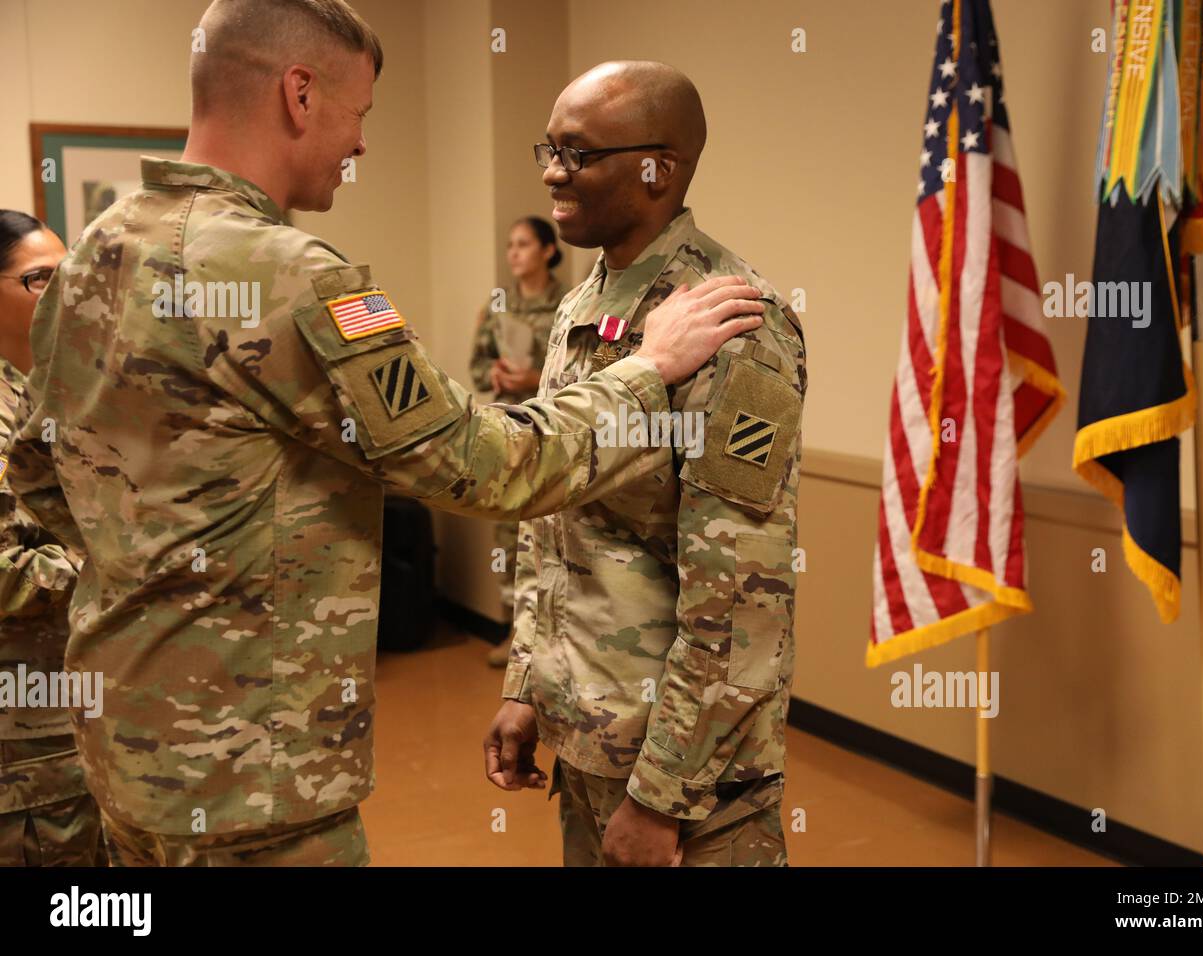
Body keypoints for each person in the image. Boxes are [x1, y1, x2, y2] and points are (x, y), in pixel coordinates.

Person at [6, 0, 764, 867]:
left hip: (121, 750)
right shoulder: (293, 276)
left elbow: (39, 470)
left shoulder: (94, 253)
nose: (360, 145)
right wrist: (646, 369)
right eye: (358, 114)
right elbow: (488, 469)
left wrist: (155, 576)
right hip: (255, 778)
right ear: (300, 94)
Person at [483, 61, 807, 867]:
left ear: (659, 168)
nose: (554, 172)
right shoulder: (584, 303)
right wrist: (527, 685)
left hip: (687, 787)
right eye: (549, 149)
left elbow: (738, 602)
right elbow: (553, 521)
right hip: (588, 740)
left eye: (579, 152)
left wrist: (661, 795)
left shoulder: (734, 327)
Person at [0, 211, 105, 866]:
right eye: (40, 280)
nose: (64, 293)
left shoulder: (47, 391)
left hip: (73, 730)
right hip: (25, 766)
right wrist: (119, 559)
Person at [468, 217, 567, 667]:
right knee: (509, 534)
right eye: (510, 244)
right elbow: (476, 365)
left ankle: (555, 636)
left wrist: (535, 379)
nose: (514, 253)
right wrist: (494, 374)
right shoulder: (497, 305)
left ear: (547, 250)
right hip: (507, 427)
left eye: (523, 244)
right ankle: (514, 631)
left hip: (553, 431)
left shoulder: (568, 303)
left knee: (557, 533)